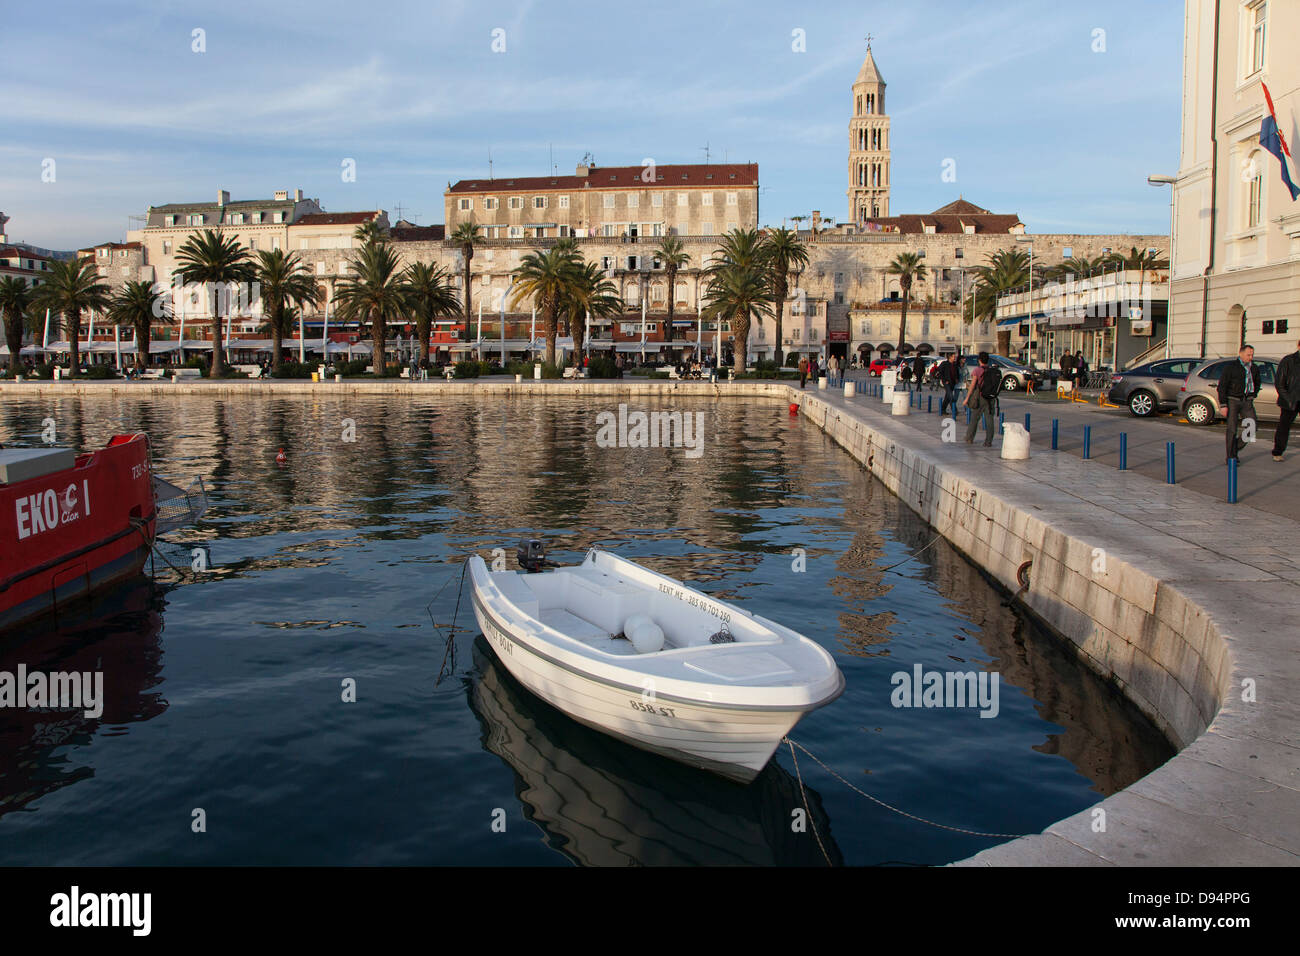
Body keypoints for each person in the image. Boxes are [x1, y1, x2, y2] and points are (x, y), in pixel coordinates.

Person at [1218, 344, 1261, 466]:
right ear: (1241, 353)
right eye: (1248, 355)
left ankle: (1235, 447)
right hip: (1232, 400)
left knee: (1252, 427)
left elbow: (1257, 383)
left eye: (1252, 354)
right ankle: (1231, 457)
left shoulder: (1254, 368)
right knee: (1232, 429)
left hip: (1247, 401)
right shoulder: (1231, 367)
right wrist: (1223, 405)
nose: (1251, 357)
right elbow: (1222, 387)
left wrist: (1253, 394)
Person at [1272, 338, 1300, 461]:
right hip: (1290, 399)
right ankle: (1277, 452)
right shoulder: (1288, 361)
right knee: (1284, 427)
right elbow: (1279, 383)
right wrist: (1288, 399)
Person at [964, 351, 998, 446]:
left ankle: (969, 438)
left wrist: (967, 398)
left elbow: (973, 386)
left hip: (981, 397)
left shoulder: (977, 370)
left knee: (975, 418)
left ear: (979, 360)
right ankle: (988, 441)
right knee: (989, 419)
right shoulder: (992, 370)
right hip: (991, 397)